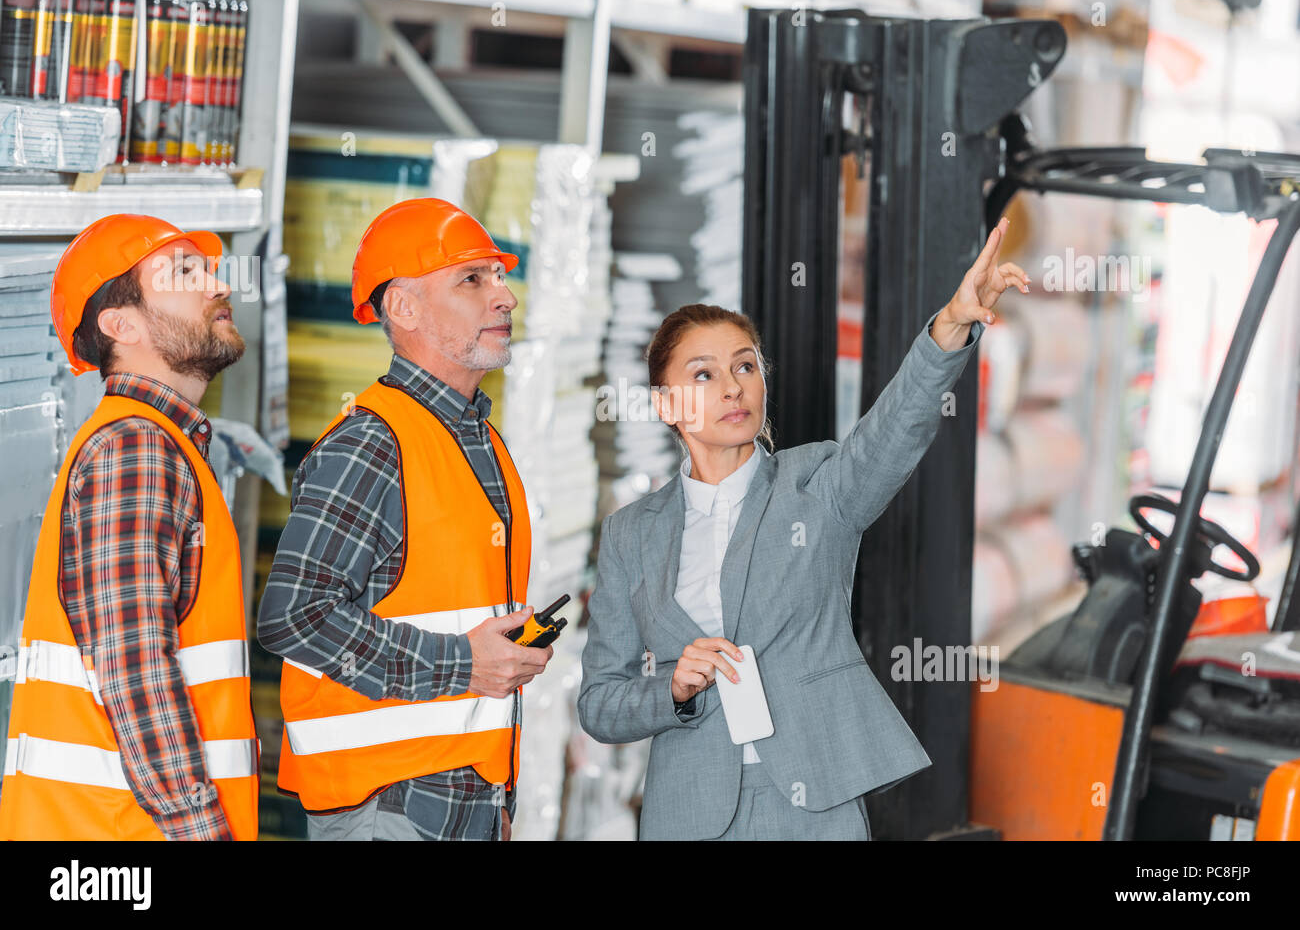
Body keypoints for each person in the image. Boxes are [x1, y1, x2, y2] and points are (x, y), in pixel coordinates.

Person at [578, 217, 1029, 840]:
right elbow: (600, 703)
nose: (734, 387)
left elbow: (894, 430)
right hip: (691, 815)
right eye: (704, 375)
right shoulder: (632, 534)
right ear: (665, 404)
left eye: (746, 366)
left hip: (811, 803)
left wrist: (949, 327)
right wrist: (672, 690)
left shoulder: (815, 484)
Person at [258, 198, 552, 841]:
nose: (504, 297)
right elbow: (292, 616)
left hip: (462, 806)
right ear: (404, 308)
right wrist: (463, 665)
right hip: (386, 811)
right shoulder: (371, 443)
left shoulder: (479, 440)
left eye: (499, 276)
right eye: (471, 279)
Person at [0, 214, 258, 839]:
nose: (216, 284)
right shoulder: (136, 451)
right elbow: (132, 666)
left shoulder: (161, 443)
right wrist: (201, 831)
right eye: (184, 272)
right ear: (122, 325)